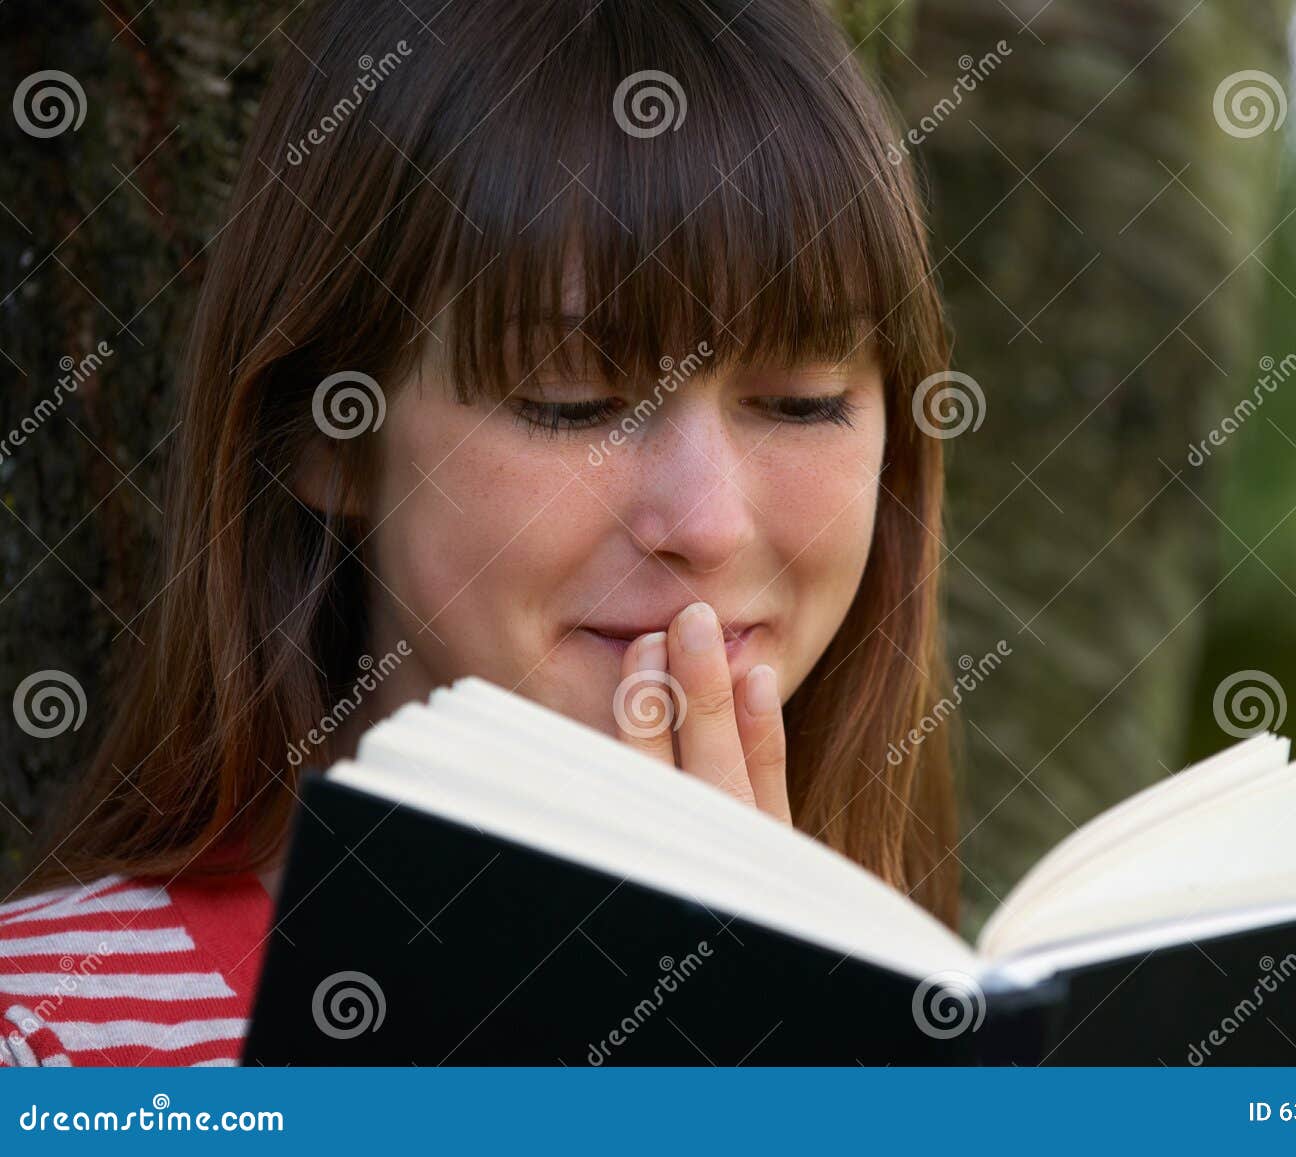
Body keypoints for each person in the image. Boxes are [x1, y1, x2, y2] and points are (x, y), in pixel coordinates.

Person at [1, 0, 960, 1065]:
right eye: (569, 402)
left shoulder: (953, 1065)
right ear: (331, 433)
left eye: (801, 400)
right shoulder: (46, 1043)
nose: (706, 522)